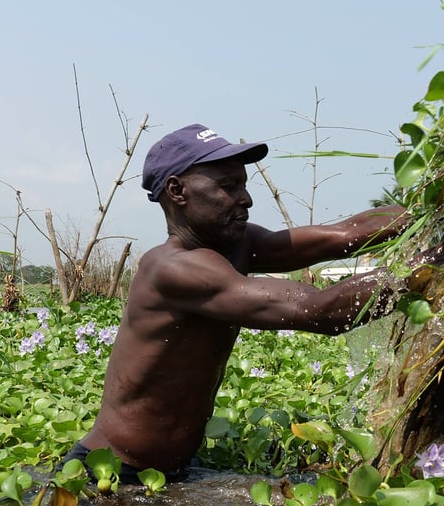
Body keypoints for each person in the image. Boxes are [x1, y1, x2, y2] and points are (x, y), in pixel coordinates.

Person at [63, 123, 410, 483]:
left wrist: (427, 211)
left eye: (243, 185)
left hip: (176, 470)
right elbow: (316, 309)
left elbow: (340, 236)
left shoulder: (237, 245)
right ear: (177, 191)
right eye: (228, 187)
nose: (246, 199)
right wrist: (418, 273)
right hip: (113, 473)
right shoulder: (171, 269)